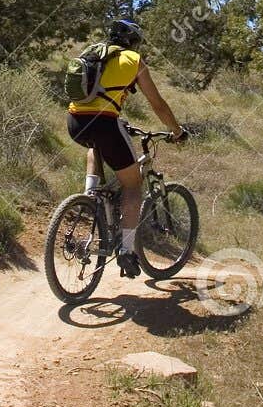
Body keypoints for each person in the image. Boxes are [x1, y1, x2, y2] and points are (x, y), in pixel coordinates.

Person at [67, 17, 185, 279]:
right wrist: (177, 131)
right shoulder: (134, 60)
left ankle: (90, 198)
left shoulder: (93, 52)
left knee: (94, 146)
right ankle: (127, 251)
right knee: (132, 186)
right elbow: (157, 103)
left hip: (75, 122)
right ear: (133, 41)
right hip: (105, 124)